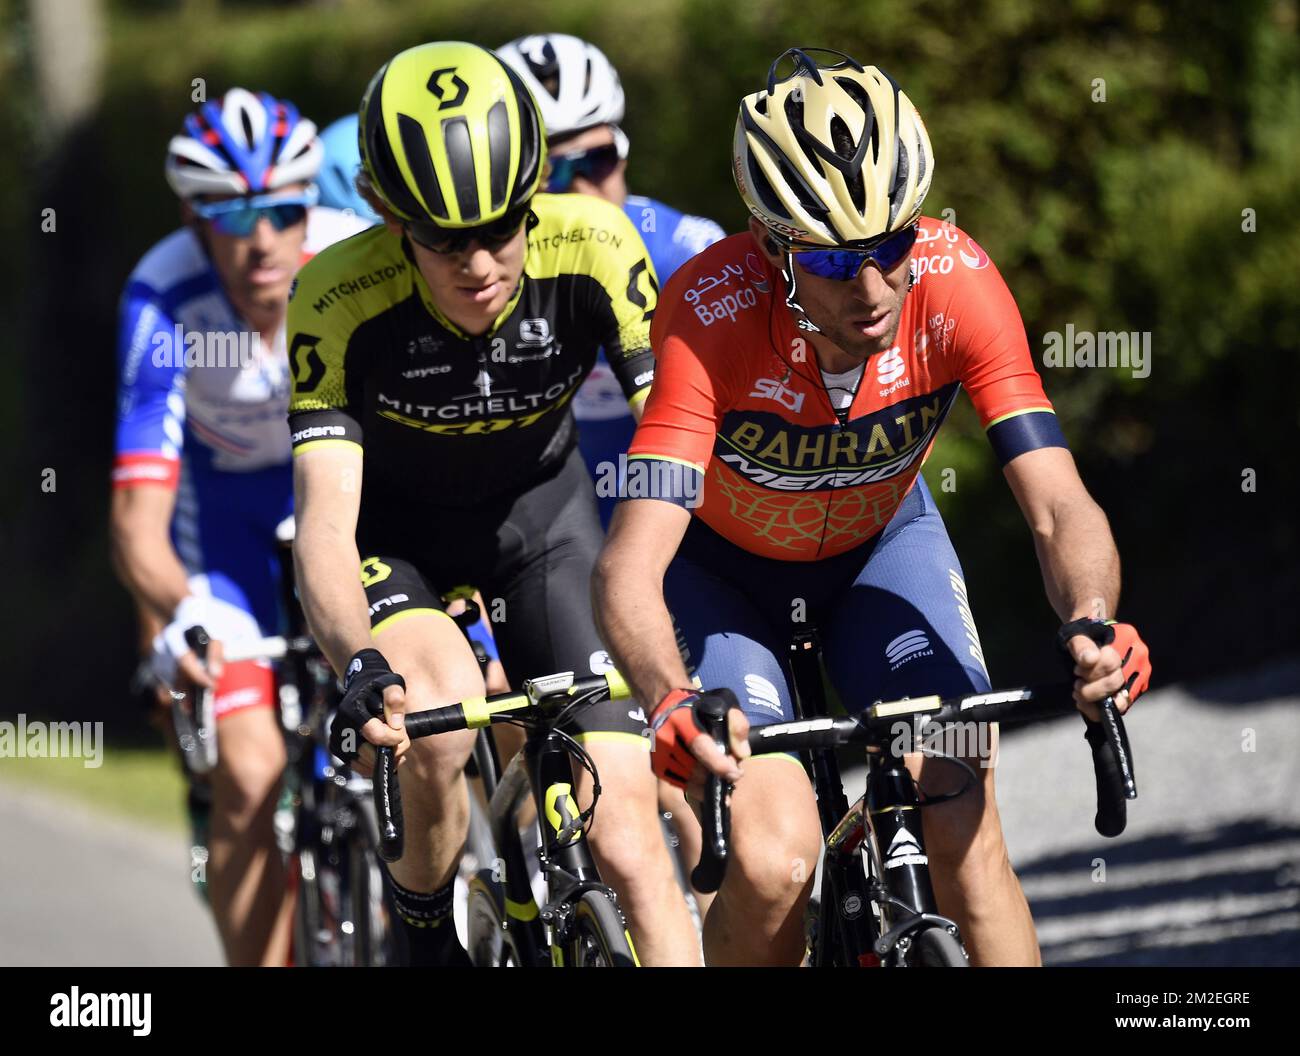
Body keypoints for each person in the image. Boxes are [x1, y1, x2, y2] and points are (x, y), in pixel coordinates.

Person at [591, 47, 1153, 967]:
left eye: (892, 247)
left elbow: (1057, 503)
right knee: (774, 861)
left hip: (883, 554)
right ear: (774, 249)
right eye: (835, 261)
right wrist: (667, 701)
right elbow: (631, 563)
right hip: (723, 582)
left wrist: (1093, 621)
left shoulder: (958, 279)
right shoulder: (707, 311)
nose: (875, 288)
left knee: (961, 817)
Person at [286, 41, 700, 966]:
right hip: (398, 546)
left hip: (542, 529)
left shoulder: (593, 244)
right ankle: (425, 935)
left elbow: (678, 443)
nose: (479, 262)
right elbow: (323, 519)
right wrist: (356, 659)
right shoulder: (336, 296)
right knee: (435, 719)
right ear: (391, 218)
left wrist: (703, 601)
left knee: (633, 842)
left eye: (501, 227)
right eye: (444, 239)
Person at [110, 88, 368, 966]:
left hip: (340, 502)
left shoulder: (353, 260)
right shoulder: (163, 293)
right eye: (232, 215)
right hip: (220, 531)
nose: (261, 239)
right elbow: (138, 518)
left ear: (311, 209)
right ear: (194, 217)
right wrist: (178, 610)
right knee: (252, 776)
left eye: (282, 212)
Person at [496, 33, 726, 530]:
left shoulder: (685, 251)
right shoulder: (481, 273)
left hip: (676, 506)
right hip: (542, 515)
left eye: (596, 161)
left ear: (623, 151)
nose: (581, 189)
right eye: (553, 173)